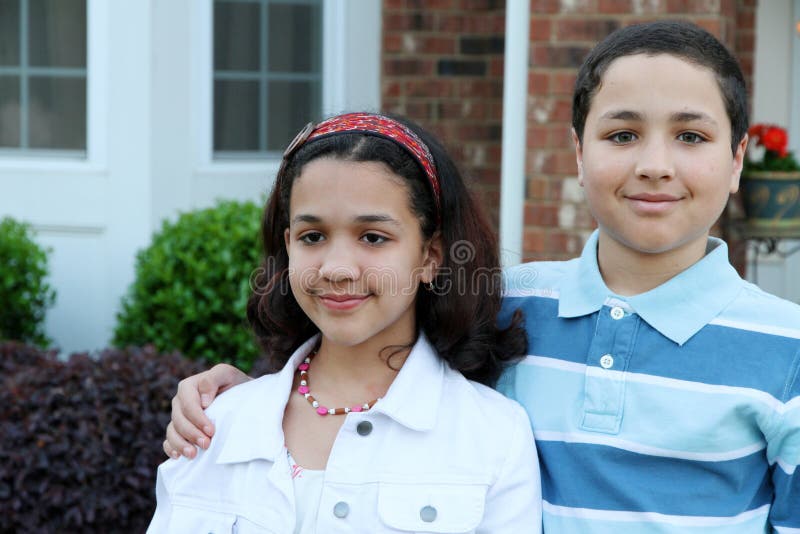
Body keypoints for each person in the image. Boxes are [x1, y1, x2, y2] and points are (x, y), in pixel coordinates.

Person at [164, 21, 800, 533]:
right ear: (579, 152)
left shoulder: (788, 350)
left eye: (691, 136)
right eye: (623, 133)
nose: (655, 164)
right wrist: (250, 395)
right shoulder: (504, 308)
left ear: (738, 157)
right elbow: (366, 355)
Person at [147, 112, 542, 533]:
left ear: (431, 256)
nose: (336, 268)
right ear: (287, 245)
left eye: (373, 237)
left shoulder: (493, 437)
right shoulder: (214, 426)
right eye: (312, 236)